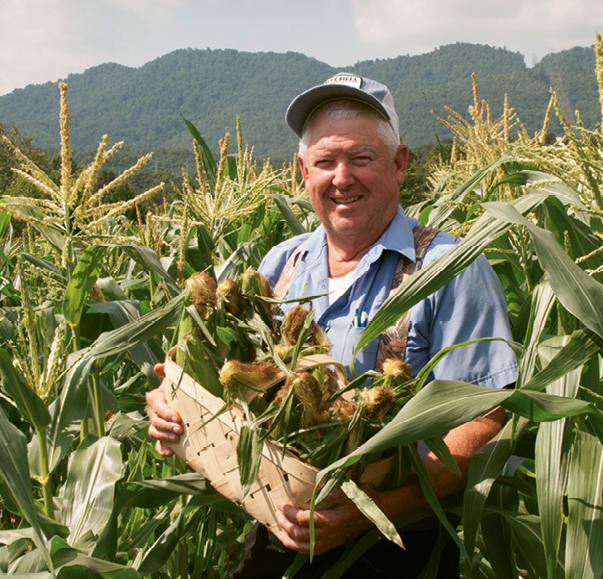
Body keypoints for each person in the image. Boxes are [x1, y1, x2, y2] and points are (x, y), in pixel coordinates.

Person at [146, 73, 518, 578]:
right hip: (277, 537)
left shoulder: (449, 269)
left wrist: (374, 512)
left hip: (398, 547)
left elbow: (486, 422)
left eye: (361, 158)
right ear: (303, 171)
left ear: (399, 163)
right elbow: (227, 379)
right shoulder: (282, 265)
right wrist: (174, 406)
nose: (341, 178)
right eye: (325, 162)